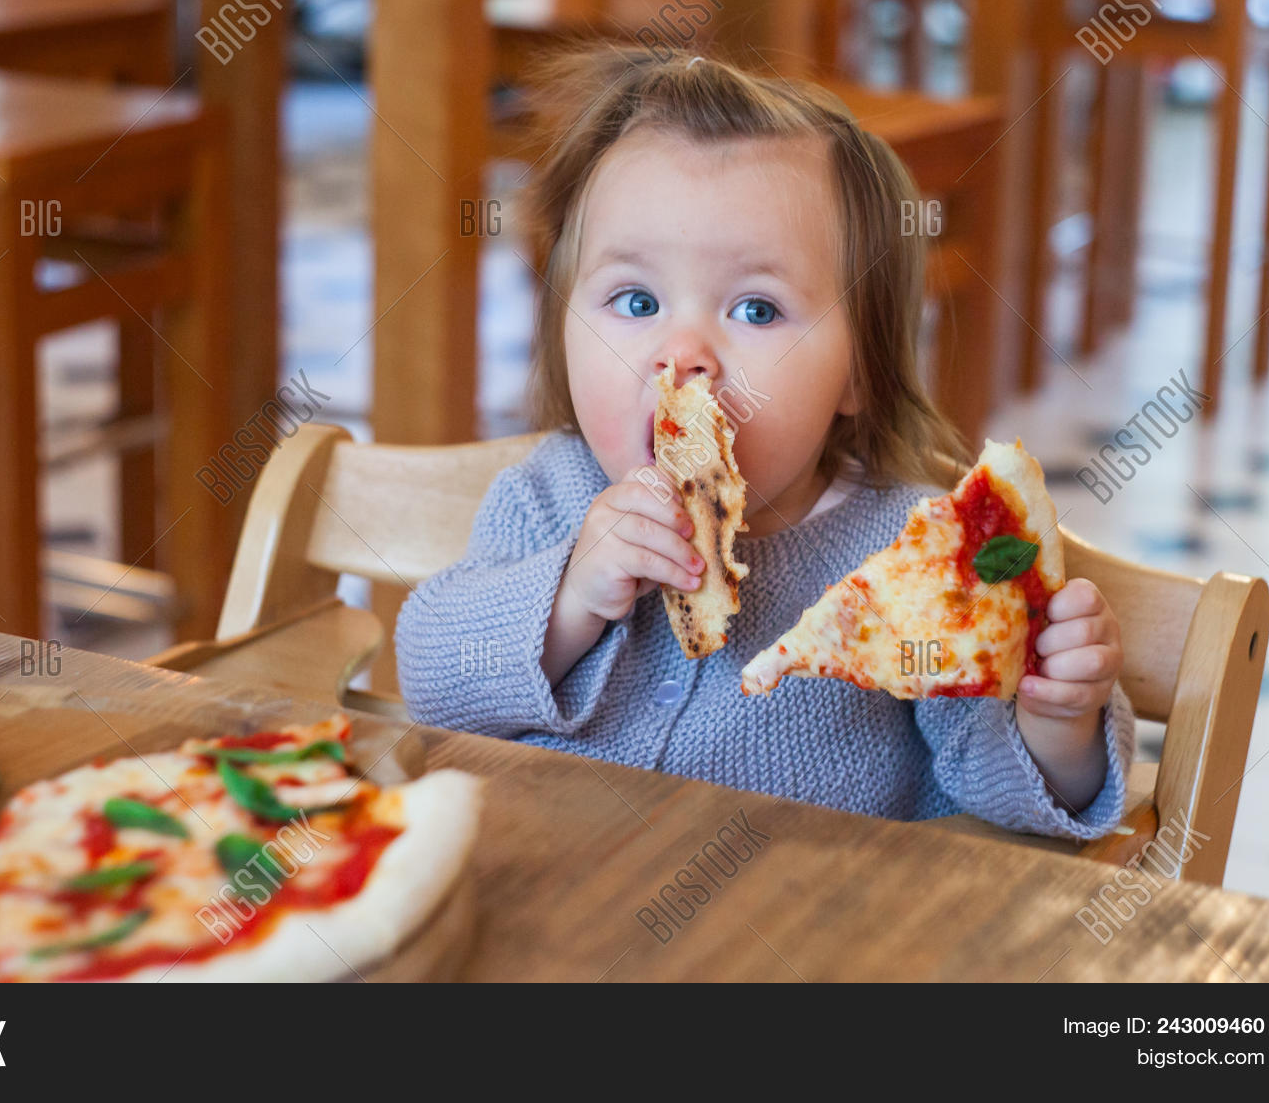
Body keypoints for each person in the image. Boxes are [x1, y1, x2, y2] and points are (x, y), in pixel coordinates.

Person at [396, 49, 1132, 839]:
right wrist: (570, 601)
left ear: (861, 371)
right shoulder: (547, 498)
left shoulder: (913, 554)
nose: (682, 355)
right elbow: (431, 676)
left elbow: (997, 785)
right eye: (635, 300)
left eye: (755, 310)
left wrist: (1061, 723)